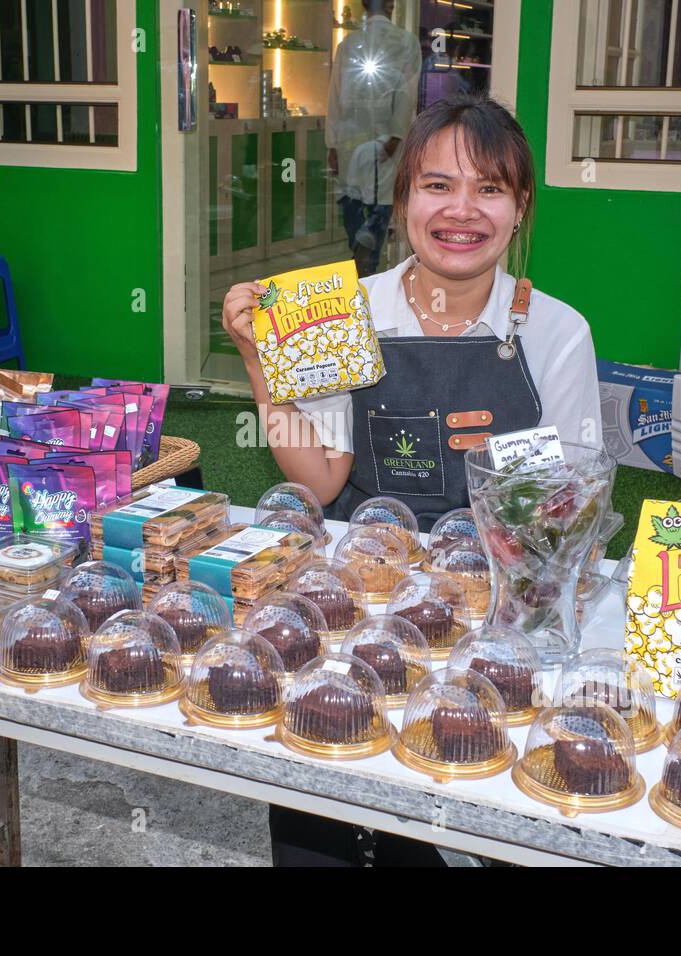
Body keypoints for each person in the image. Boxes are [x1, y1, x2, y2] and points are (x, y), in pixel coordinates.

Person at [221, 93, 603, 866]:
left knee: (481, 811)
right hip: (356, 604)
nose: (462, 210)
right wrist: (261, 364)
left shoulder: (556, 331)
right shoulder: (345, 312)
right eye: (437, 185)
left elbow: (562, 518)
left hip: (497, 620)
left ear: (520, 208)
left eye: (489, 189)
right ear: (402, 202)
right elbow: (321, 485)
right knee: (323, 798)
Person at [326, 0, 422, 277]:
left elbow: (334, 96)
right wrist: (395, 136)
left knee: (354, 207)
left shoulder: (349, 44)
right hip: (385, 143)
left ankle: (361, 268)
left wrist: (332, 144)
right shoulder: (405, 42)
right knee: (379, 210)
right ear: (391, 5)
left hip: (351, 140)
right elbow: (406, 96)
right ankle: (367, 270)